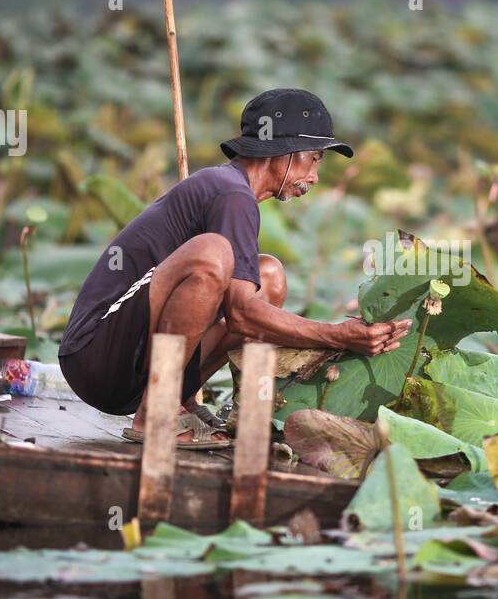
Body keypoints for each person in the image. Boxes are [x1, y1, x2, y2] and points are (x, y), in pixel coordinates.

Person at [58, 88, 412, 445]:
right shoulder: (229, 192)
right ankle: (156, 413)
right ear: (284, 151)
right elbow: (242, 315)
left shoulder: (236, 194)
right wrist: (337, 335)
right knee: (212, 253)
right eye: (315, 159)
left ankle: (180, 399)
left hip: (127, 376)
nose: (315, 177)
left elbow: (244, 308)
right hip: (94, 358)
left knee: (268, 276)